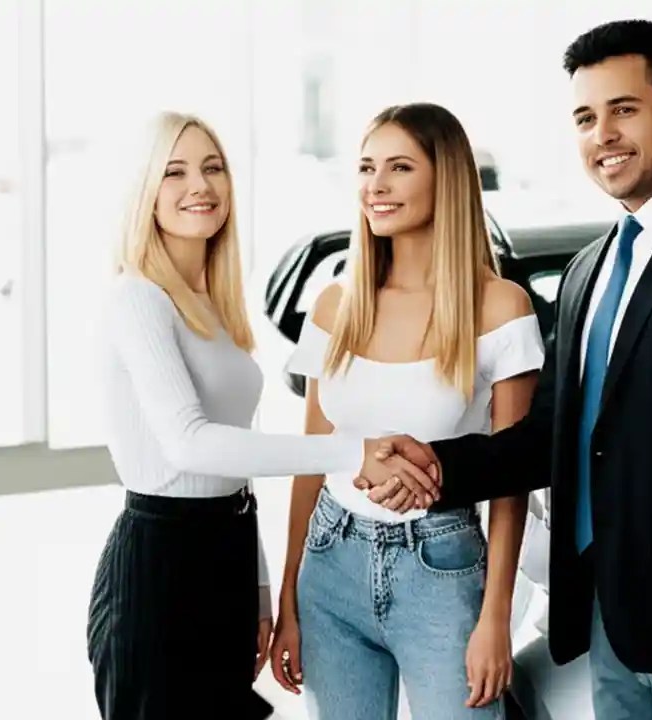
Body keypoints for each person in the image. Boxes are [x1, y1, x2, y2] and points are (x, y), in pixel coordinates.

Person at [363, 20, 652, 720]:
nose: (603, 133)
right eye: (586, 117)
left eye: (624, 110)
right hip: (609, 618)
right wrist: (436, 464)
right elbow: (550, 435)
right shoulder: (588, 269)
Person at [85, 110, 438, 720]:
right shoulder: (136, 297)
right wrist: (351, 451)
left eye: (212, 167)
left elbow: (235, 458)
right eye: (175, 172)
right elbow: (192, 445)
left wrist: (259, 584)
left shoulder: (210, 307)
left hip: (224, 551)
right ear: (146, 191)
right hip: (160, 567)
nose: (200, 185)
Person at [267, 103, 544, 719]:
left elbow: (513, 478)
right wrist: (289, 595)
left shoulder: (500, 307)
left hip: (441, 573)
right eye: (367, 167)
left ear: (444, 178)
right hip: (330, 565)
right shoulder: (335, 305)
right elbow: (310, 463)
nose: (376, 185)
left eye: (398, 167)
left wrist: (494, 617)